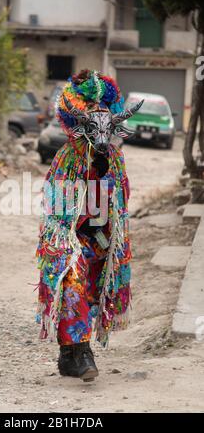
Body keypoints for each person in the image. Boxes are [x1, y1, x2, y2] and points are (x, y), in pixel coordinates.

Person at [36, 70, 143, 382]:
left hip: (103, 238)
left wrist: (112, 235)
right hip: (71, 237)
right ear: (78, 128)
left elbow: (121, 198)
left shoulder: (116, 158)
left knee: (93, 294)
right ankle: (82, 352)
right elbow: (55, 206)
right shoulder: (65, 159)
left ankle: (67, 355)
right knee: (73, 281)